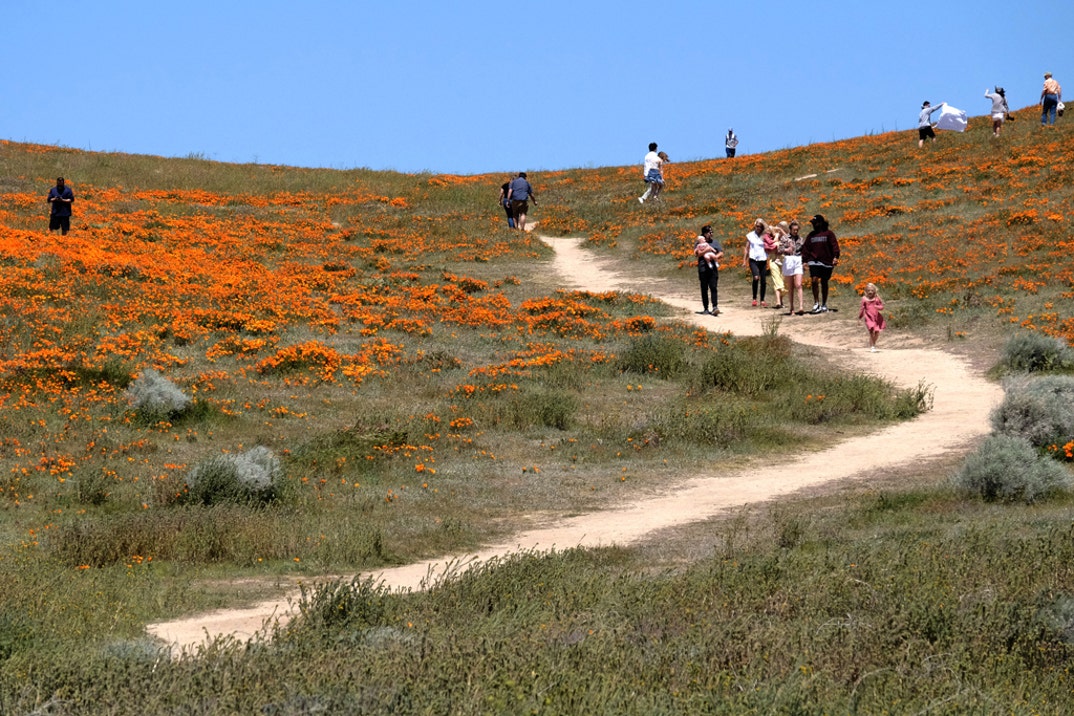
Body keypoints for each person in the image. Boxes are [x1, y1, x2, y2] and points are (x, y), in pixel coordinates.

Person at [802, 214, 840, 314]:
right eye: (813, 223)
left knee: (824, 282)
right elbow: (806, 248)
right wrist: (804, 261)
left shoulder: (829, 234)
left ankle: (824, 304)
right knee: (814, 280)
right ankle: (816, 303)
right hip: (814, 261)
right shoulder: (811, 235)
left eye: (815, 223)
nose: (814, 225)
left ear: (820, 223)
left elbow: (834, 246)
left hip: (827, 261)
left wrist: (836, 257)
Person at [694, 225, 723, 315]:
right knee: (704, 288)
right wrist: (707, 250)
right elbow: (698, 254)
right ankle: (706, 308)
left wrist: (715, 257)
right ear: (704, 234)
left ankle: (715, 306)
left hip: (713, 267)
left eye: (711, 232)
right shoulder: (698, 243)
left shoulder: (715, 242)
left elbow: (721, 252)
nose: (711, 234)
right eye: (709, 232)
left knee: (713, 287)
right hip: (703, 268)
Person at [779, 220, 806, 315]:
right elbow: (779, 249)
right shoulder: (784, 238)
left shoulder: (801, 239)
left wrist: (804, 262)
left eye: (797, 230)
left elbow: (804, 250)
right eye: (794, 230)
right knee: (790, 286)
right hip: (789, 260)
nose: (795, 231)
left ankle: (801, 306)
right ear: (790, 229)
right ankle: (792, 307)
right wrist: (787, 249)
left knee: (798, 284)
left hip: (798, 260)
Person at [742, 218, 769, 307]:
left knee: (763, 280)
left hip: (763, 259)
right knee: (756, 277)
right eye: (757, 226)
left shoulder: (765, 236)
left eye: (760, 227)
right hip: (753, 259)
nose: (758, 228)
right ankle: (754, 298)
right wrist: (744, 261)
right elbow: (747, 249)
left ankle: (762, 299)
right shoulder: (750, 235)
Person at [858, 282, 886, 352]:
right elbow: (862, 308)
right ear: (866, 291)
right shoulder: (864, 299)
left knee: (877, 332)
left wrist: (877, 307)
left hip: (876, 317)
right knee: (871, 331)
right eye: (868, 290)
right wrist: (860, 317)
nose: (870, 292)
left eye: (872, 290)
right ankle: (872, 346)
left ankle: (873, 343)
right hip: (868, 317)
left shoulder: (876, 299)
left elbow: (882, 307)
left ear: (874, 291)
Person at [764, 225, 785, 309]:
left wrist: (780, 232)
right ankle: (778, 302)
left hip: (783, 262)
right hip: (773, 261)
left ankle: (780, 299)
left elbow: (788, 240)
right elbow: (769, 247)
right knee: (777, 281)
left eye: (770, 230)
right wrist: (776, 240)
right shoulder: (767, 238)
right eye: (768, 230)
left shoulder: (781, 237)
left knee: (784, 283)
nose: (769, 231)